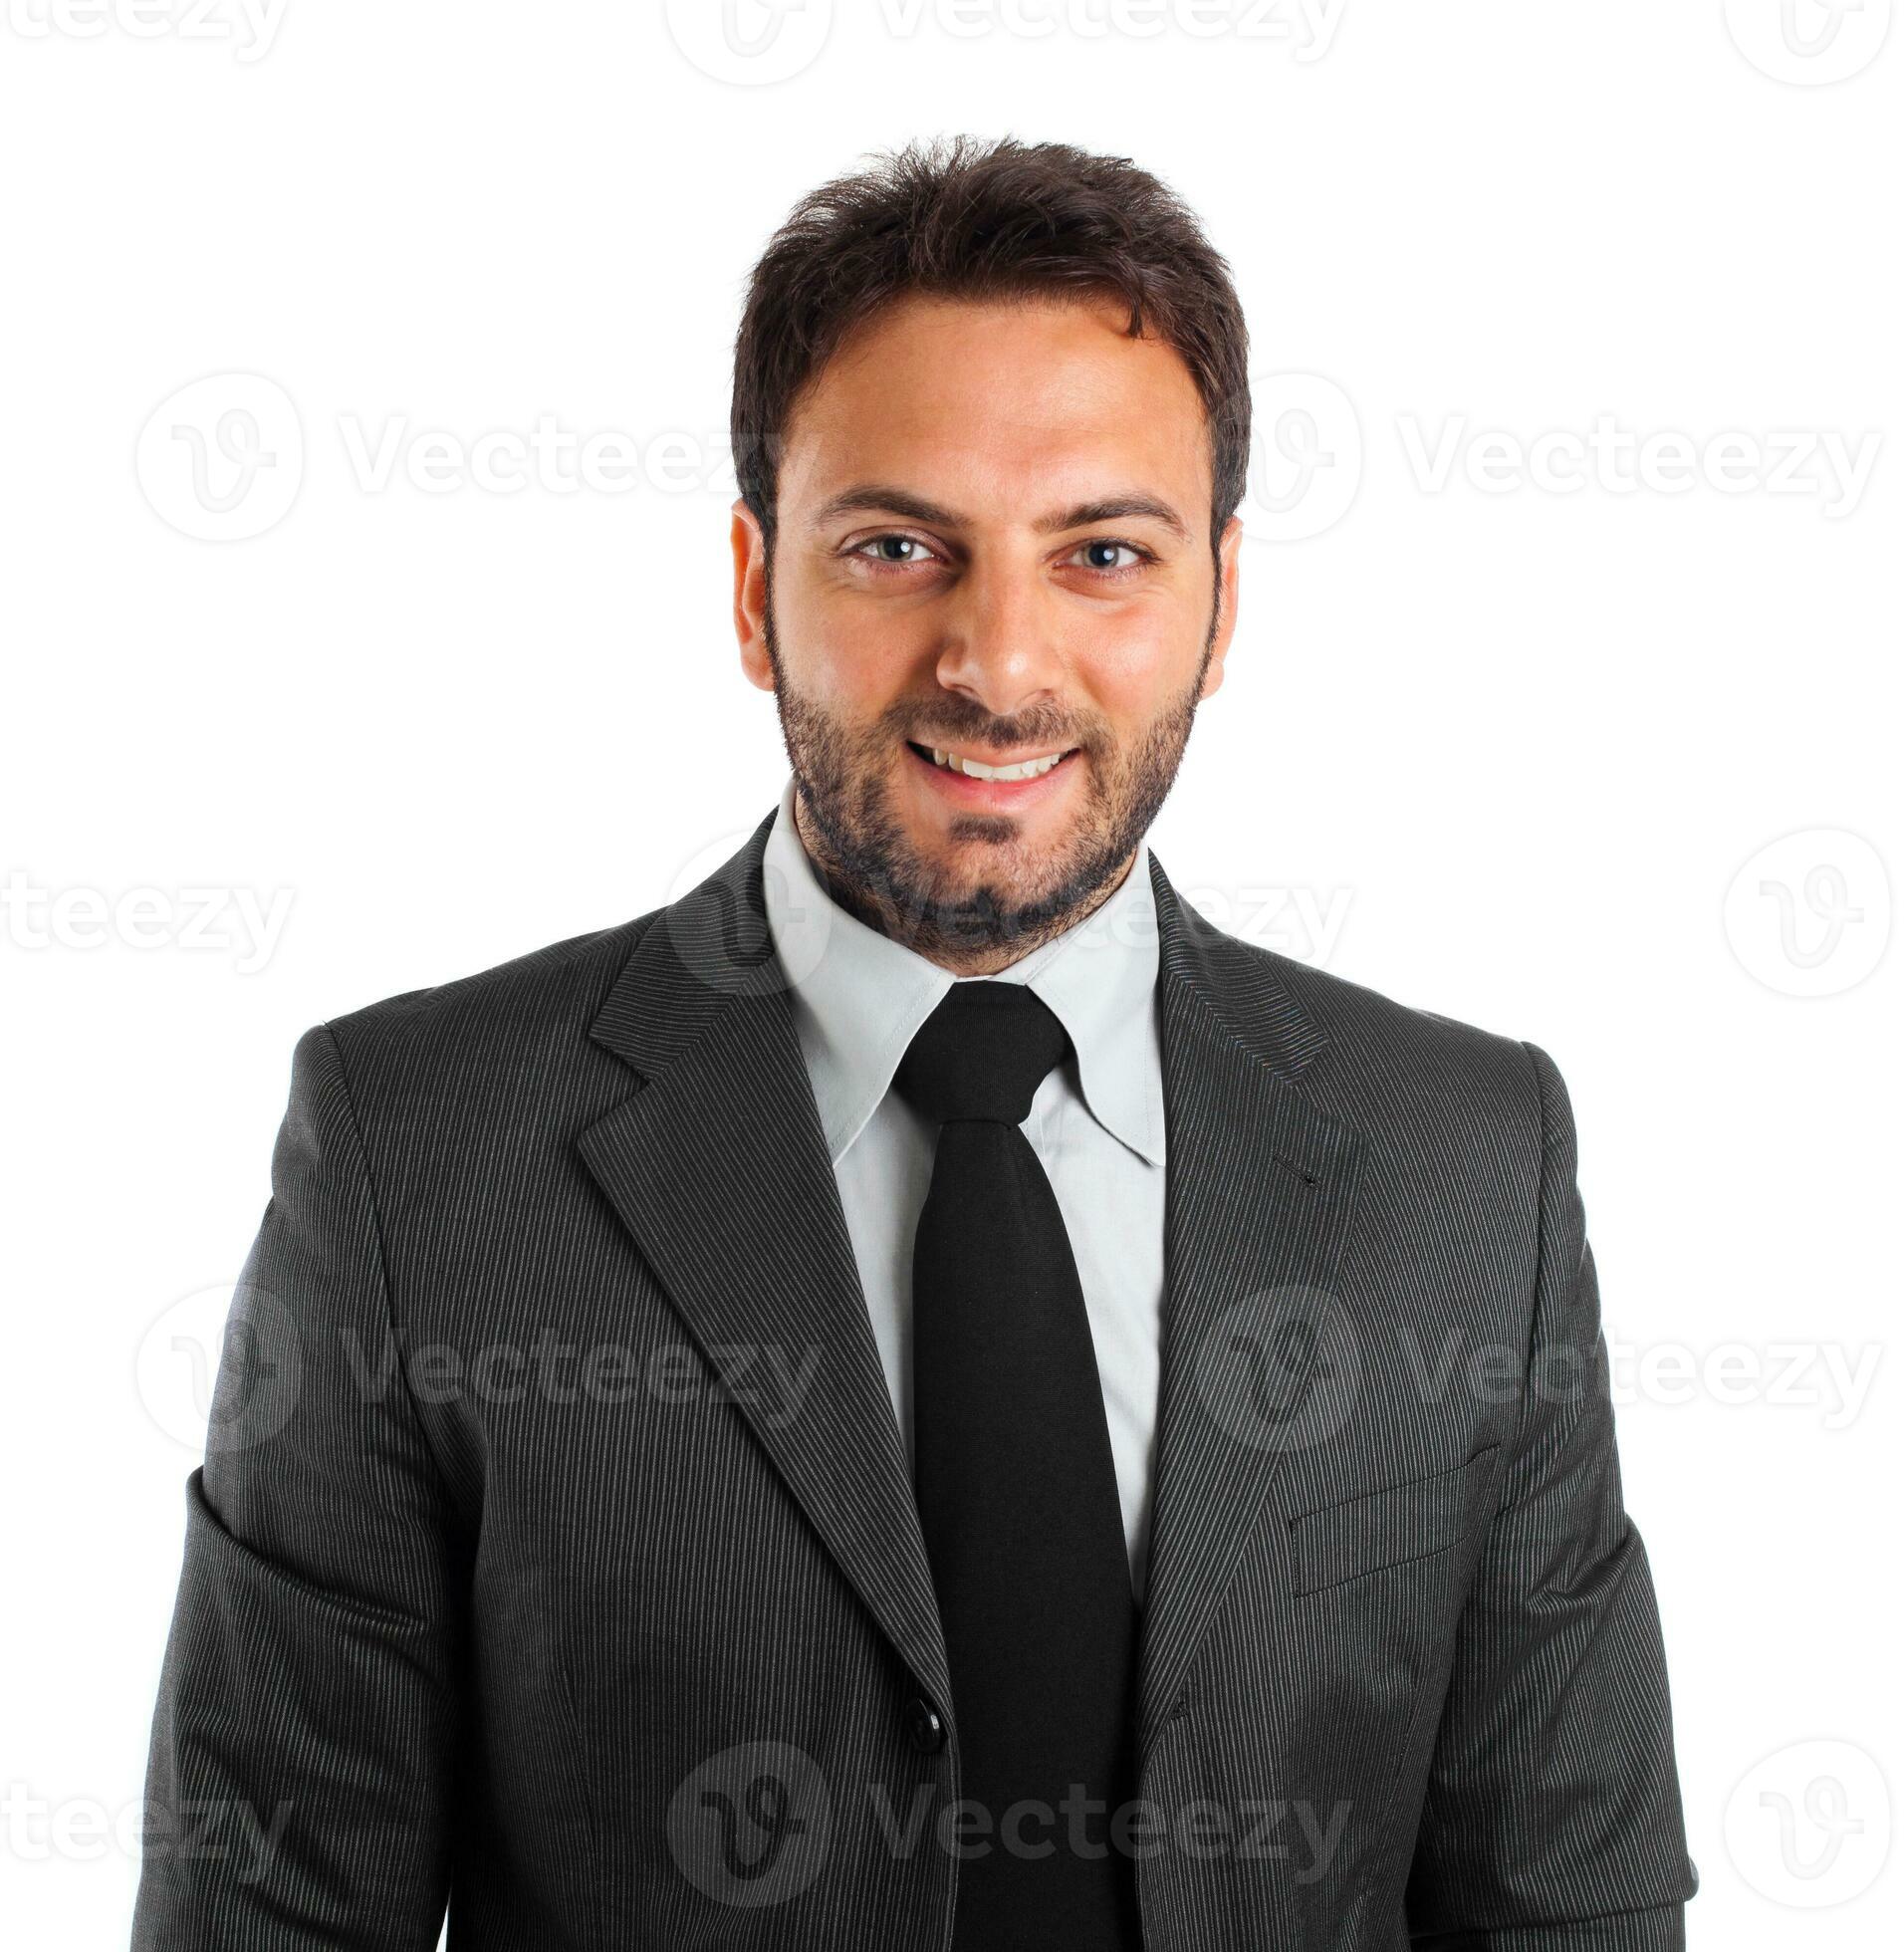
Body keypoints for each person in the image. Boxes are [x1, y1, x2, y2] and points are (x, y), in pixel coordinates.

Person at [131, 134, 1697, 1950]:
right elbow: (269, 1910)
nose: (1000, 659)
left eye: (1104, 552)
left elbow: (1567, 1897)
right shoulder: (419, 1152)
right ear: (752, 586)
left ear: (1223, 603)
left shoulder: (1468, 1159)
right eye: (897, 546)